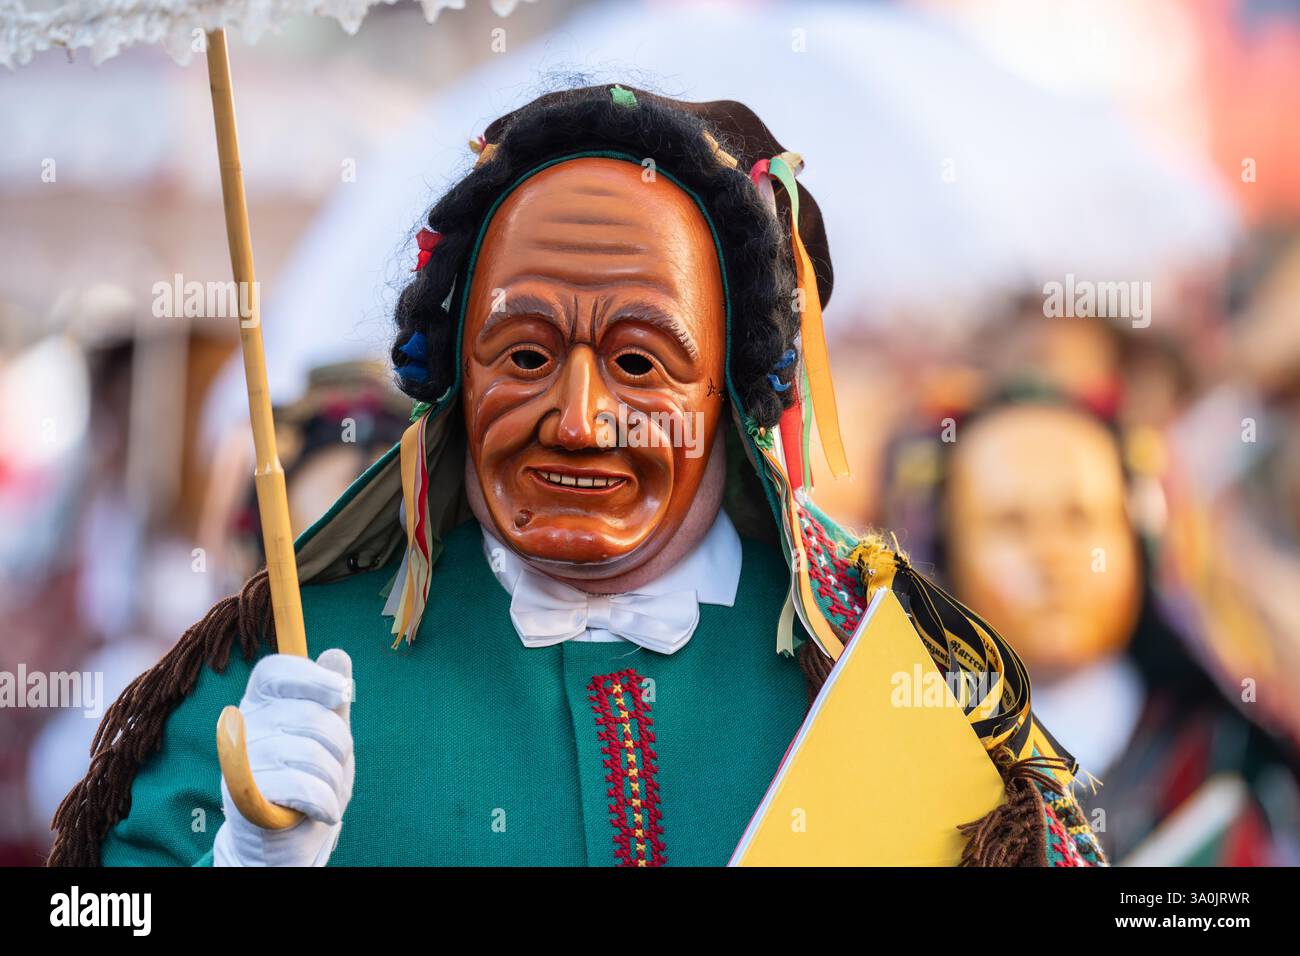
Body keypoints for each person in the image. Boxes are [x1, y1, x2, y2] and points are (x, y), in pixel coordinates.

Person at [49, 85, 1101, 867]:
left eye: (640, 362)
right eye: (524, 355)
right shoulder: (282, 675)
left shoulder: (886, 674)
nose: (579, 420)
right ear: (454, 376)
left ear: (731, 392)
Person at [889, 389, 1300, 864]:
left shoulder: (1226, 751)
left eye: (1080, 518)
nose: (1051, 555)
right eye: (1011, 523)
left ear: (1138, 539)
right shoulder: (906, 753)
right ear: (945, 550)